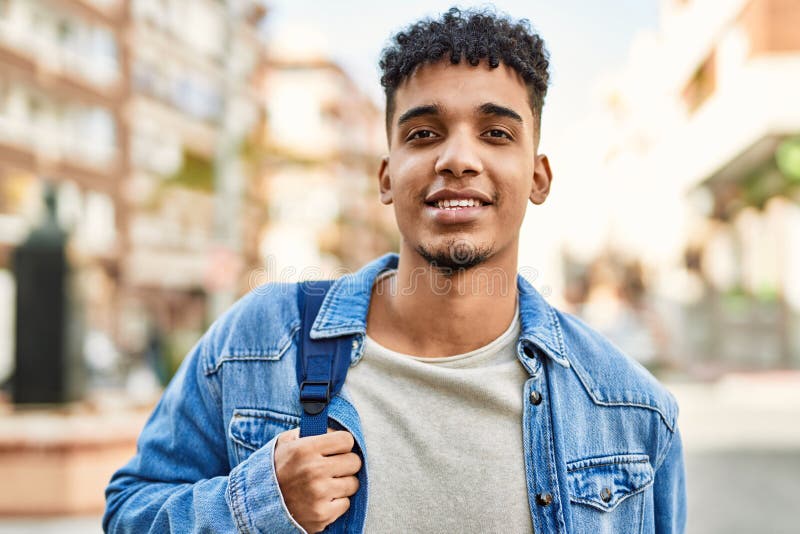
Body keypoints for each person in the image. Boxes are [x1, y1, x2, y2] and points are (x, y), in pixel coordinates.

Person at [104, 7, 686, 533]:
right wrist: (257, 504)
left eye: (497, 133)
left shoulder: (632, 410)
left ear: (538, 177)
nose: (457, 158)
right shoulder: (256, 343)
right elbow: (128, 514)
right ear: (387, 175)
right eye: (424, 133)